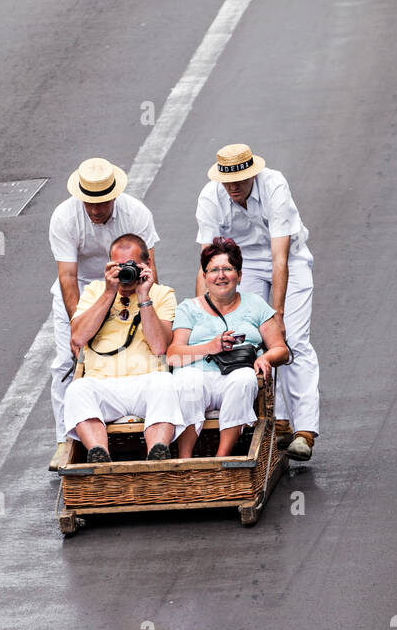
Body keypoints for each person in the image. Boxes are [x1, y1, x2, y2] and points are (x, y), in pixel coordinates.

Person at [195, 144, 320, 460]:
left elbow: (280, 257)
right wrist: (201, 314)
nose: (234, 188)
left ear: (253, 174)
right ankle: (277, 420)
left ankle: (305, 430)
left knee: (293, 339)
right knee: (248, 340)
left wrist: (276, 314)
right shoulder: (211, 197)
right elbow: (205, 262)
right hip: (244, 264)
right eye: (228, 181)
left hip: (290, 259)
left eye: (240, 179)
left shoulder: (274, 184)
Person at [48, 157, 159, 444]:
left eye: (102, 203)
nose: (95, 210)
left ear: (114, 195)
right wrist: (78, 327)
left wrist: (149, 306)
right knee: (65, 363)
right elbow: (68, 277)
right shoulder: (63, 217)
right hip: (83, 287)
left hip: (128, 287)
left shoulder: (137, 213)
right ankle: (65, 441)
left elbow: (150, 268)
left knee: (137, 353)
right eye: (89, 203)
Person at [63, 234, 184, 463]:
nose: (125, 271)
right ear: (109, 265)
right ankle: (99, 456)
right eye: (119, 266)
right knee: (77, 390)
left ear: (147, 265)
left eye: (131, 265)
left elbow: (160, 347)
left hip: (146, 381)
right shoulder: (95, 291)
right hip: (102, 384)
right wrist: (109, 292)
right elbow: (78, 337)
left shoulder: (162, 294)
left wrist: (144, 297)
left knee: (166, 383)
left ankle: (157, 453)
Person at [167, 238, 289, 458]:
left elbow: (281, 349)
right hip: (198, 377)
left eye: (228, 269)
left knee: (243, 377)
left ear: (239, 275)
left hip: (235, 377)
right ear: (204, 277)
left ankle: (222, 458)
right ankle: (184, 459)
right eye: (213, 270)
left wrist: (266, 358)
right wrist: (210, 347)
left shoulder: (255, 304)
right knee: (188, 381)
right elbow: (173, 355)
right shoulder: (189, 308)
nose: (220, 275)